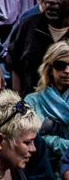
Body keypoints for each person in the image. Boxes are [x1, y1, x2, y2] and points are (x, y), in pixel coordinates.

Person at [5, 0, 69, 95]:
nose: (51, 0)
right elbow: (15, 66)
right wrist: (17, 101)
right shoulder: (28, 26)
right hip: (30, 106)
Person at [26, 41, 69, 171]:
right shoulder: (32, 101)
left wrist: (49, 140)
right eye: (60, 65)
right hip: (39, 172)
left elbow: (40, 139)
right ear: (50, 69)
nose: (67, 71)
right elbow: (28, 141)